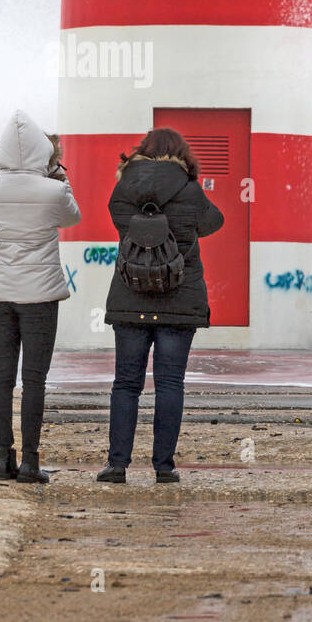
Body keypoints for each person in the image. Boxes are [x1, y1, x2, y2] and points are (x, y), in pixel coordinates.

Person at [98, 128, 224, 484]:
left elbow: (119, 220)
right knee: (170, 384)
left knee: (125, 384)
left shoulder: (124, 187)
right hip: (179, 299)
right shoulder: (189, 189)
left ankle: (117, 465)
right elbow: (215, 222)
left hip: (131, 295)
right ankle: (164, 467)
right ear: (180, 154)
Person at [0, 109, 81, 484]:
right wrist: (60, 177)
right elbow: (73, 218)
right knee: (34, 379)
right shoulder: (54, 189)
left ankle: (4, 458)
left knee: (2, 376)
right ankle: (31, 462)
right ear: (43, 152)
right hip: (40, 296)